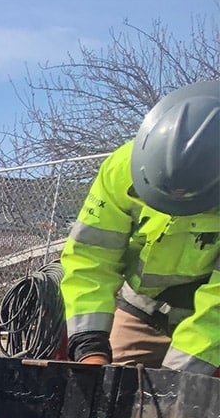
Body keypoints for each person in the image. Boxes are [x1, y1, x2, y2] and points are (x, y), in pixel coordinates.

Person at [60, 78, 220, 374]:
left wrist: (176, 382)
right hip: (143, 307)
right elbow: (91, 258)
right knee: (111, 400)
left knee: (195, 409)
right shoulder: (121, 169)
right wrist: (90, 346)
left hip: (212, 318)